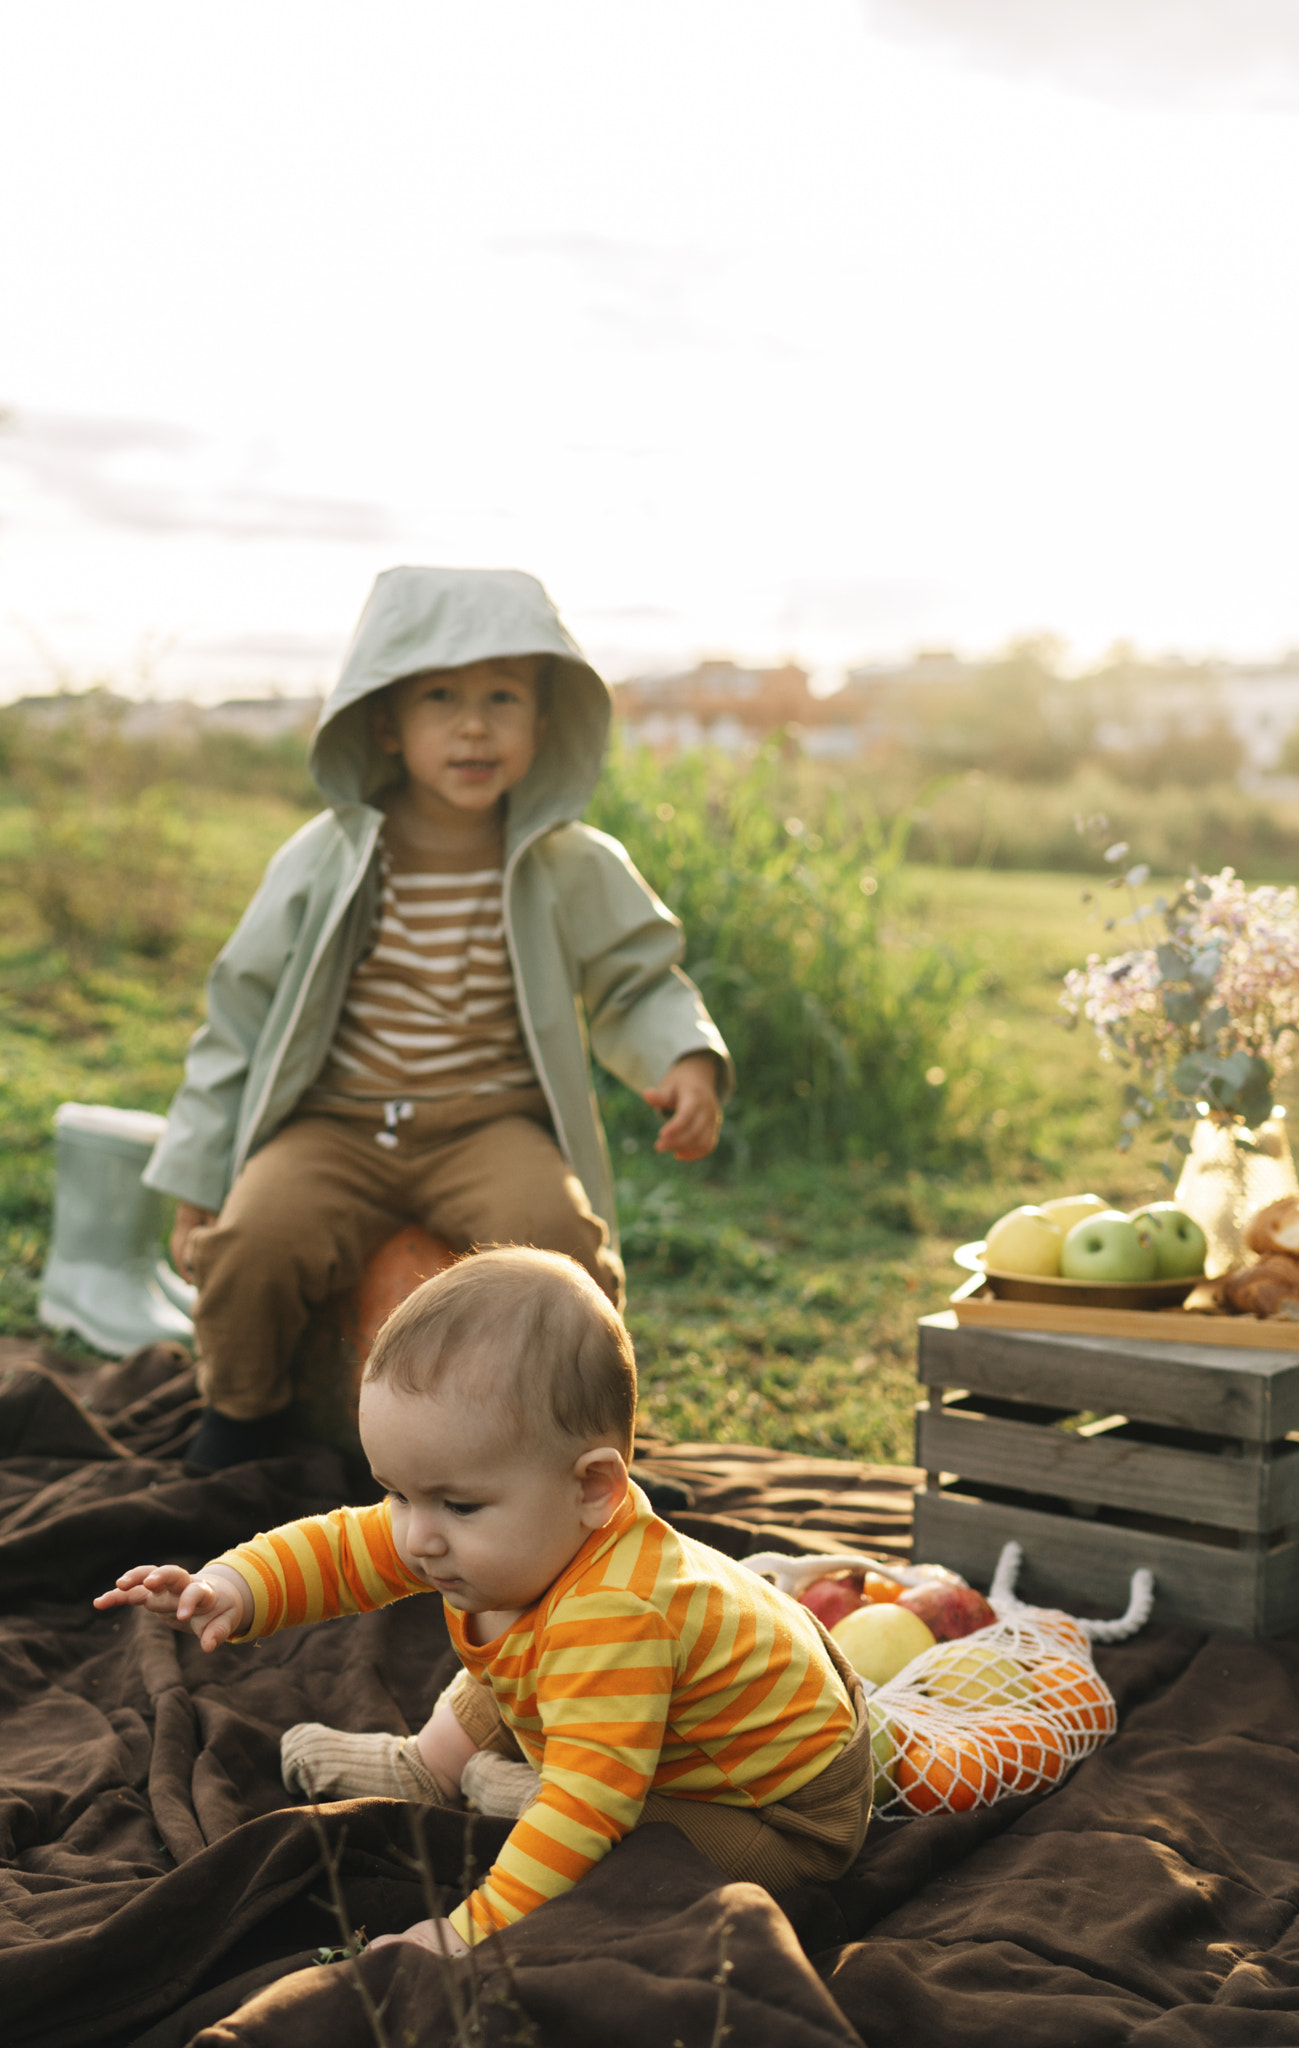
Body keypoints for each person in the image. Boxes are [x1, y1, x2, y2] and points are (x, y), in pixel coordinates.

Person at [93, 1249, 874, 1955]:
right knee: (508, 1641)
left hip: (773, 1814)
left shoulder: (615, 1616)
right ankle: (428, 1766)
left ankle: (528, 1788)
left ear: (593, 1487)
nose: (417, 1536)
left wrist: (468, 1932)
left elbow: (586, 1815)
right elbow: (342, 1549)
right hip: (638, 1719)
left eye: (458, 1506)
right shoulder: (501, 1530)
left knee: (633, 1845)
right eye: (398, 1493)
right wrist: (234, 1585)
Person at [142, 565, 731, 1472]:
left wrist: (684, 1057)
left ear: (545, 722)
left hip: (485, 1125)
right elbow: (240, 1014)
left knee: (563, 1249)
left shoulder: (569, 863)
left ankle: (586, 1449)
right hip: (336, 1124)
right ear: (386, 722)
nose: (473, 726)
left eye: (503, 697)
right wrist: (199, 1180)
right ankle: (243, 1418)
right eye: (441, 698)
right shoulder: (328, 858)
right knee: (255, 1241)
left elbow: (639, 979)